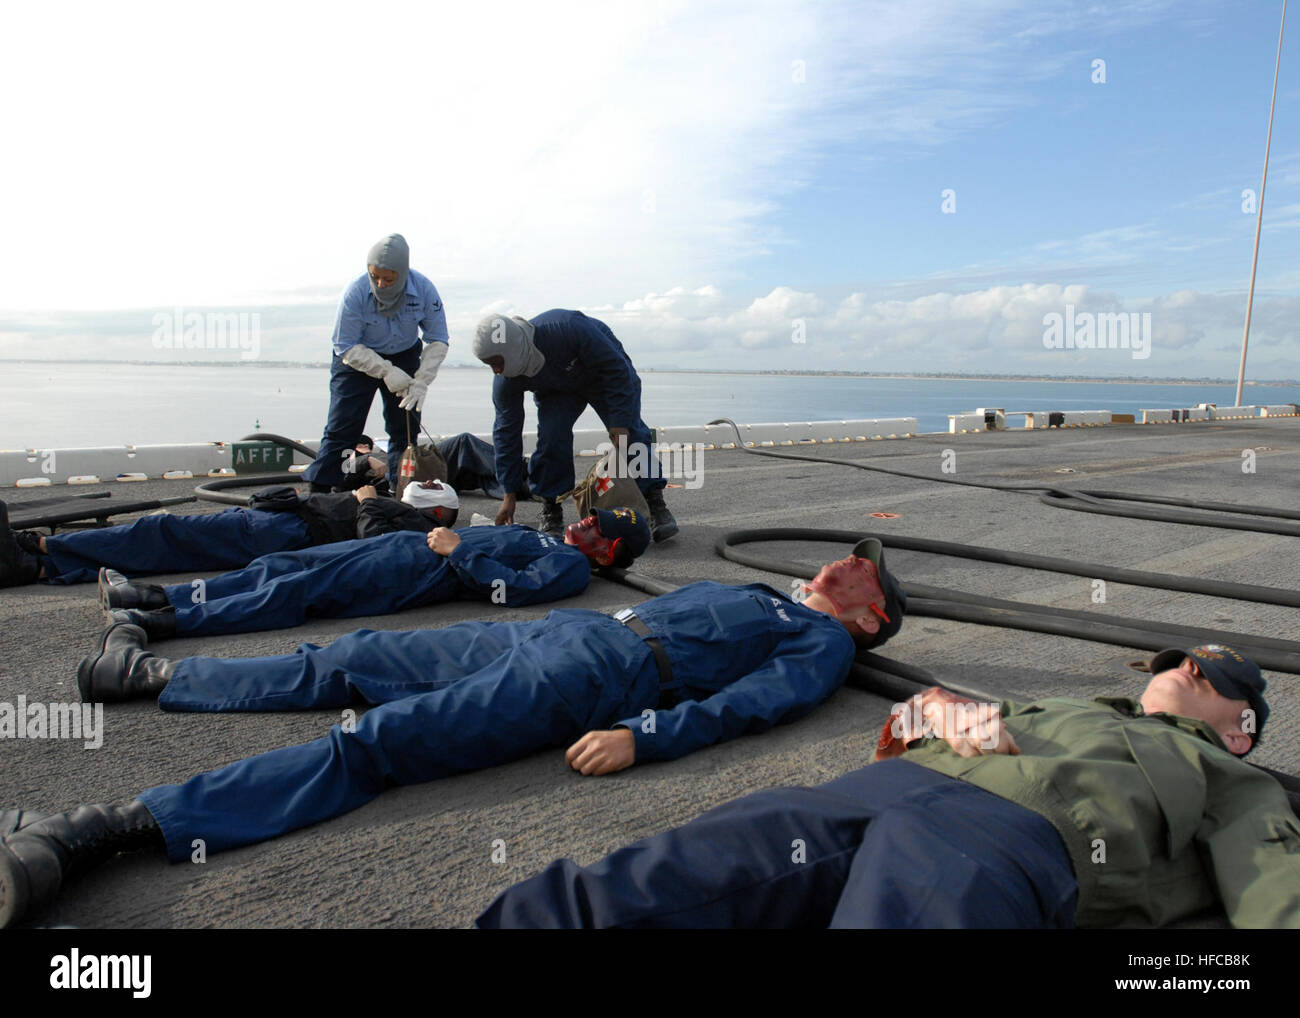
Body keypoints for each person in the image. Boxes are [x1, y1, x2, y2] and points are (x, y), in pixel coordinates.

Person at [0, 540, 906, 928]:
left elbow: (751, 707)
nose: (843, 565)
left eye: (862, 575)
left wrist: (647, 735)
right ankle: (154, 674)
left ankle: (107, 829)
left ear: (868, 624)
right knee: (354, 657)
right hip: (554, 636)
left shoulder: (817, 642)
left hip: (601, 678)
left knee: (380, 741)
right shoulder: (761, 597)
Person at [475, 643, 1300, 930]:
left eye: (1221, 675)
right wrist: (926, 711)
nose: (1192, 665)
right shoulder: (1063, 705)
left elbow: (1276, 894)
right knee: (635, 887)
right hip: (871, 795)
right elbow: (895, 735)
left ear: (1243, 729)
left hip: (1006, 841)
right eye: (1184, 659)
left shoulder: (1233, 775)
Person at [81, 507, 650, 651]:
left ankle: (161, 622)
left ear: (610, 549)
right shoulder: (554, 536)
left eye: (597, 524)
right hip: (394, 547)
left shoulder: (573, 566)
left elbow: (514, 591)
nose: (584, 519)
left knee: (292, 593)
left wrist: (458, 551)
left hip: (409, 573)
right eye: (591, 513)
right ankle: (153, 592)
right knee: (278, 567)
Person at [0, 479, 458, 589]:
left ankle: (41, 552)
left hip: (282, 532)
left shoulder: (416, 521)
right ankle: (43, 559)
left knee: (163, 534)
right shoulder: (407, 511)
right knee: (165, 548)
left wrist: (364, 503)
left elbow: (374, 545)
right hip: (282, 526)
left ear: (439, 507)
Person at [472, 310, 677, 540]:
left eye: (497, 363)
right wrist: (509, 492)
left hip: (602, 375)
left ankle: (655, 502)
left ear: (512, 349)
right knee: (551, 438)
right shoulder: (505, 381)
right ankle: (551, 509)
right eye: (488, 365)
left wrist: (619, 423)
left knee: (630, 434)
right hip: (558, 389)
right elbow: (505, 433)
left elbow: (617, 371)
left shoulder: (567, 328)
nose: (496, 371)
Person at [301, 234, 449, 491]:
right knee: (343, 428)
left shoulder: (424, 290)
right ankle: (325, 490)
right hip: (357, 358)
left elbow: (438, 339)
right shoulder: (355, 292)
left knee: (404, 427)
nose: (380, 284)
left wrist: (421, 382)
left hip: (404, 354)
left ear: (402, 274)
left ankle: (401, 488)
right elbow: (344, 345)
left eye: (388, 279)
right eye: (374, 276)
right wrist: (385, 370)